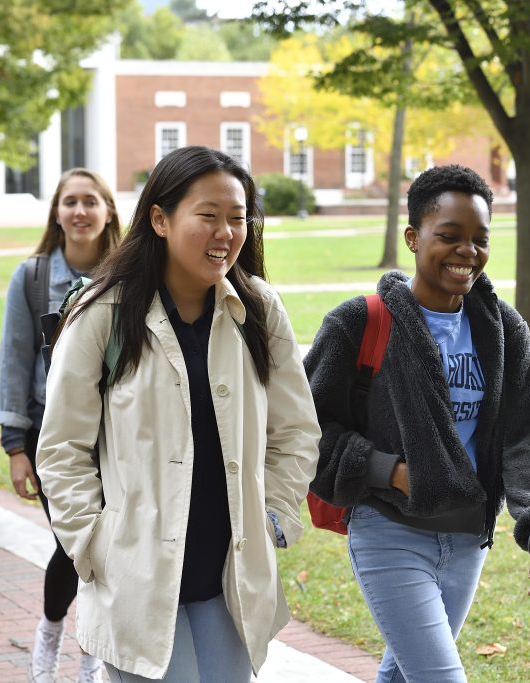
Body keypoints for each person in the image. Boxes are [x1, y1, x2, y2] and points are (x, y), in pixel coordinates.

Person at [36, 146, 321, 682]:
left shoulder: (256, 308)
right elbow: (61, 447)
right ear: (160, 219)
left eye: (237, 218)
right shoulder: (103, 310)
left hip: (227, 578)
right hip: (137, 578)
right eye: (208, 216)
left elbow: (297, 430)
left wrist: (276, 515)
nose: (226, 233)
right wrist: (92, 542)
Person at [305, 164, 530, 682]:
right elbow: (304, 430)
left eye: (479, 239)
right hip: (389, 531)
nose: (467, 252)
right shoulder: (358, 322)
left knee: (403, 674)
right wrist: (391, 471)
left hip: (467, 538)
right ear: (413, 237)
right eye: (449, 236)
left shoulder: (501, 328)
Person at [0, 168, 121, 683]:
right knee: (74, 542)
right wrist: (13, 445)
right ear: (56, 212)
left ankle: (92, 651)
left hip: (116, 435)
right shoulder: (33, 278)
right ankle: (51, 635)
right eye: (70, 202)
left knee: (110, 543)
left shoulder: (128, 274)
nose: (79, 211)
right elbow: (15, 360)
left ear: (108, 211)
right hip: (52, 436)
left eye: (90, 201)